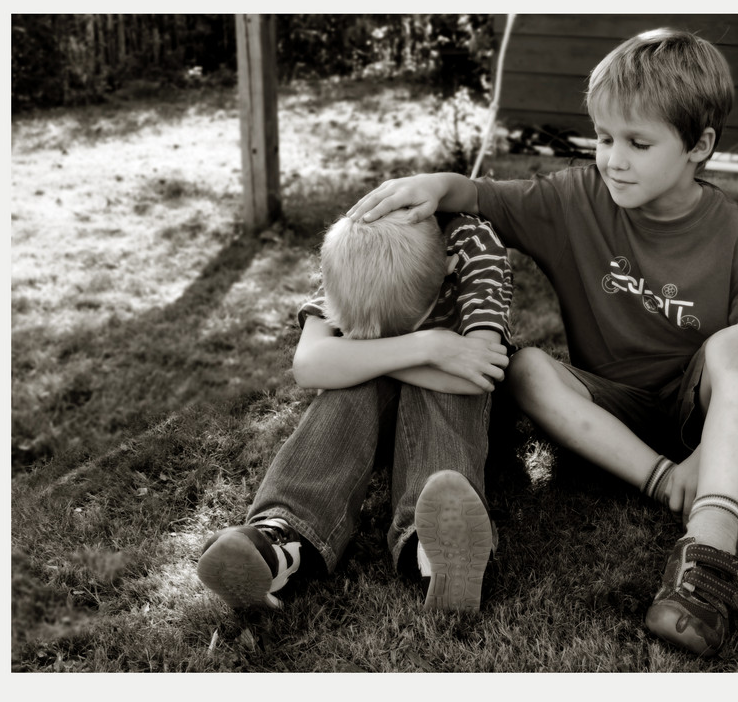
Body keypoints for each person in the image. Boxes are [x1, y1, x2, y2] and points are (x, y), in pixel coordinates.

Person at [346, 28, 738, 656]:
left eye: (639, 143)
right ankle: (662, 482)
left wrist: (712, 454)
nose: (614, 158)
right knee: (528, 366)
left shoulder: (733, 234)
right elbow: (483, 197)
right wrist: (436, 184)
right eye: (605, 137)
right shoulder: (576, 198)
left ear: (698, 147)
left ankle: (709, 554)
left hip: (703, 412)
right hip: (610, 404)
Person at [196, 209, 513, 613]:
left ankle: (434, 545)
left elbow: (478, 376)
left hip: (468, 415)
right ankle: (280, 542)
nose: (384, 341)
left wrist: (363, 353)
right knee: (350, 388)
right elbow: (309, 366)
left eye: (397, 330)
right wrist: (427, 346)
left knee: (404, 384)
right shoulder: (353, 262)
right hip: (379, 414)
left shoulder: (474, 250)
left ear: (446, 270)